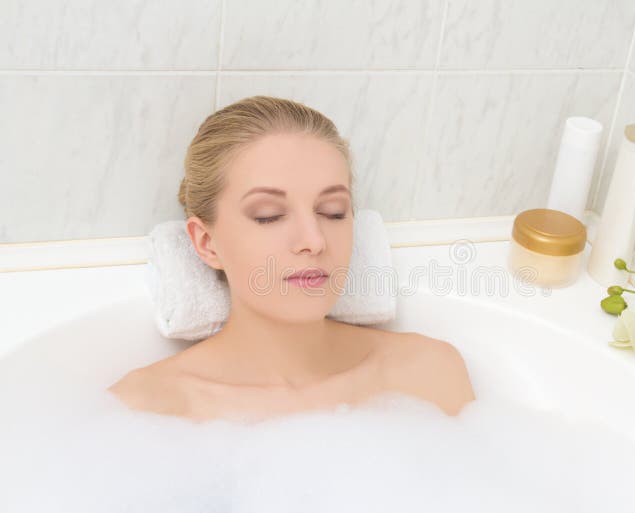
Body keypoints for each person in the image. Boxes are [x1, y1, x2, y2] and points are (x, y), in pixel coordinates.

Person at [108, 95, 476, 423]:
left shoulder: (429, 373)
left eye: (333, 212)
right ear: (207, 244)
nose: (314, 241)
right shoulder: (148, 410)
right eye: (268, 216)